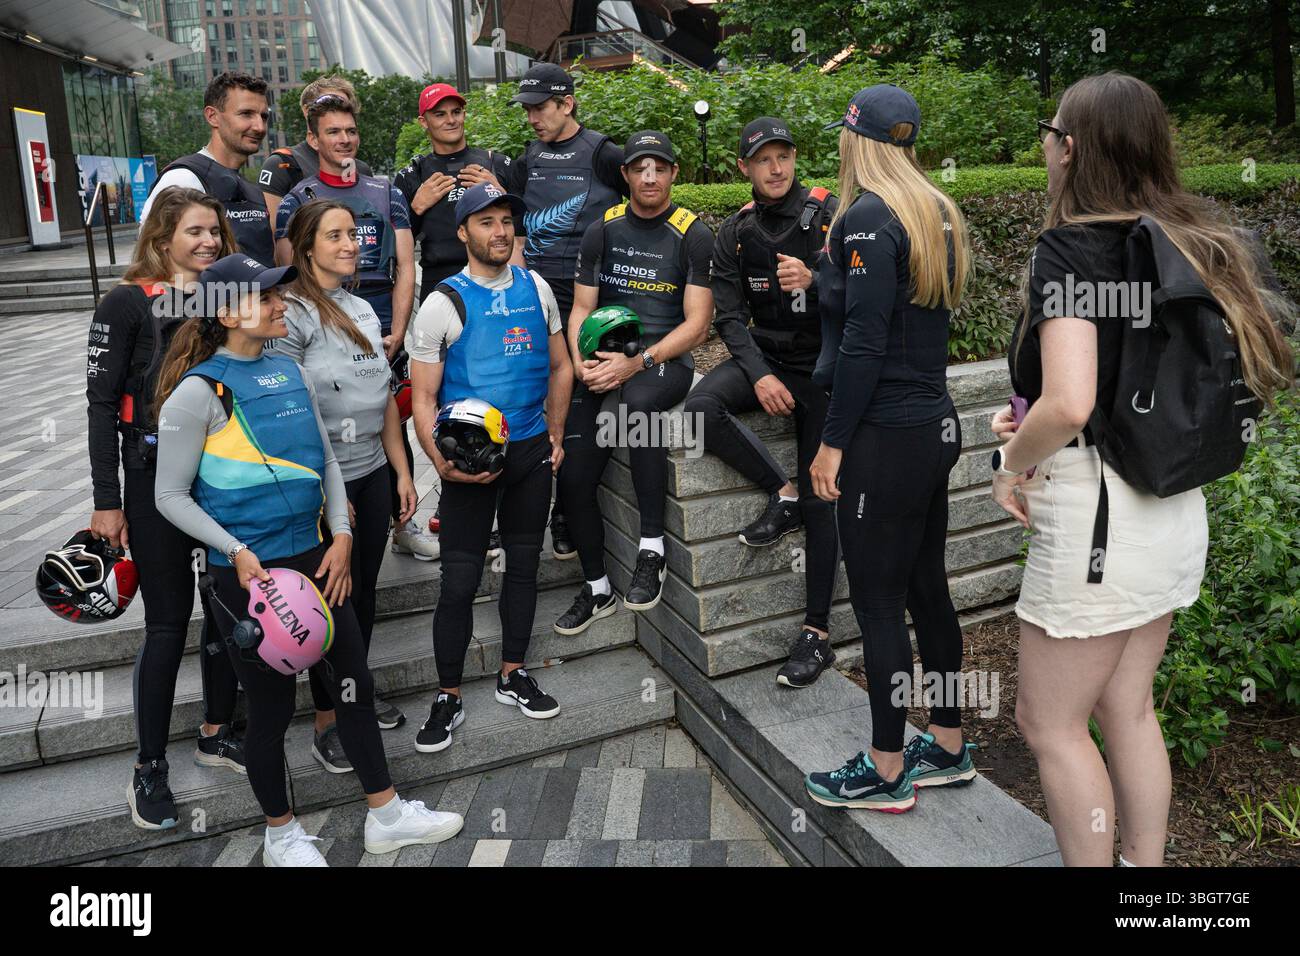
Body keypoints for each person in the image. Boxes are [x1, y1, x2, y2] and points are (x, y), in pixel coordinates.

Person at [990, 73, 1295, 866]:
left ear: (1073, 147)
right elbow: (1123, 384)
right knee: (1127, 707)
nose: (1047, 143)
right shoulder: (1188, 237)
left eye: (1052, 131)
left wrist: (1007, 462)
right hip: (1170, 506)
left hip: (1098, 520)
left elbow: (1069, 403)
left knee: (1048, 723)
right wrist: (1031, 415)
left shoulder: (1071, 246)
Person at [153, 255, 464, 866]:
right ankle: (281, 833)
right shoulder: (198, 391)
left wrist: (343, 534)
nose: (279, 304)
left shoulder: (289, 369)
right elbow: (168, 495)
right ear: (224, 311)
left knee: (353, 683)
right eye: (265, 297)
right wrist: (235, 553)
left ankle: (386, 814)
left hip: (320, 560)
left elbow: (326, 460)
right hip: (249, 576)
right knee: (268, 711)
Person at [802, 85, 976, 813]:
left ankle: (884, 769)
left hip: (886, 437)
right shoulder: (933, 208)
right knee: (926, 589)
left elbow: (866, 346)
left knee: (877, 601)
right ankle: (948, 744)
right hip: (931, 426)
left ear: (857, 139)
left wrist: (832, 445)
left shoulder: (872, 215)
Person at [86, 188, 244, 830]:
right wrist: (106, 502)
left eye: (216, 232)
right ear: (162, 236)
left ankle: (214, 729)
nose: (208, 242)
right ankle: (149, 766)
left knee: (228, 610)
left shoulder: (224, 297)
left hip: (222, 478)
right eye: (195, 232)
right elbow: (100, 405)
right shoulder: (125, 301)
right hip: (153, 484)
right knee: (167, 624)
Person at [405, 182, 573, 752]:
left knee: (524, 567)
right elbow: (422, 399)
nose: (499, 232)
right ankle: (448, 694)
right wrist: (439, 462)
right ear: (463, 233)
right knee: (458, 583)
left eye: (506, 221)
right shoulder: (442, 302)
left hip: (528, 451)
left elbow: (559, 365)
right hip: (469, 465)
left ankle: (513, 673)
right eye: (485, 222)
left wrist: (556, 431)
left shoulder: (538, 288)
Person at [684, 117, 840, 688]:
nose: (776, 169)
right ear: (744, 168)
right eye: (763, 159)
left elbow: (872, 289)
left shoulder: (828, 215)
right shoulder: (737, 231)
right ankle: (783, 491)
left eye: (785, 157)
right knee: (699, 411)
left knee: (826, 499)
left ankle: (816, 634)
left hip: (822, 367)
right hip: (768, 360)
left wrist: (819, 280)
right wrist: (759, 377)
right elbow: (727, 316)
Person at [271, 199, 419, 770]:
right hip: (324, 486)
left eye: (353, 234)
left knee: (363, 594)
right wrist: (331, 500)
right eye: (335, 236)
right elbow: (289, 417)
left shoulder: (362, 307)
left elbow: (382, 397)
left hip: (373, 474)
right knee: (329, 603)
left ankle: (354, 690)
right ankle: (328, 718)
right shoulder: (292, 314)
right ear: (306, 249)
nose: (352, 243)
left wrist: (404, 472)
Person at [553, 131, 714, 634]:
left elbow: (697, 326)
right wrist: (584, 362)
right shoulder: (603, 229)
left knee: (638, 412)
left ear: (673, 173)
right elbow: (581, 310)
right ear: (624, 175)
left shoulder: (693, 233)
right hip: (602, 362)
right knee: (575, 476)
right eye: (639, 167)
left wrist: (636, 362)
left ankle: (652, 549)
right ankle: (597, 587)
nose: (649, 176)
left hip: (662, 361)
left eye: (659, 167)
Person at [273, 95, 437, 562]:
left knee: (384, 415)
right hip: (322, 318)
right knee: (325, 411)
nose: (344, 139)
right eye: (332, 131)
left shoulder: (385, 191)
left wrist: (400, 330)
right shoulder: (297, 200)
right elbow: (290, 275)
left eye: (350, 130)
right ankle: (332, 518)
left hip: (380, 320)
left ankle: (401, 523)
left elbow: (407, 265)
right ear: (313, 139)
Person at [508, 63, 630, 558]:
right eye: (528, 109)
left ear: (567, 104)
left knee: (584, 397)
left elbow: (644, 206)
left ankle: (567, 509)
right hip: (540, 293)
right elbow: (515, 232)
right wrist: (519, 287)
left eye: (541, 107)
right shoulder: (525, 160)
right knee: (538, 393)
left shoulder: (604, 154)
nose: (533, 117)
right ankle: (532, 506)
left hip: (595, 294)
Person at [394, 83, 513, 306]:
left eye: (456, 112)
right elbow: (397, 248)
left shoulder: (497, 164)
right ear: (423, 122)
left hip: (494, 279)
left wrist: (501, 194)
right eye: (440, 114)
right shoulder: (412, 176)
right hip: (440, 283)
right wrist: (416, 209)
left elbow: (524, 228)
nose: (451, 120)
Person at [140, 72, 274, 266]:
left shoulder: (249, 187)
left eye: (264, 116)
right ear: (212, 117)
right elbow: (152, 256)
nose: (259, 127)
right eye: (246, 114)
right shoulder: (184, 178)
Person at [258, 74, 373, 229]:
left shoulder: (361, 169)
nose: (338, 111)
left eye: (344, 106)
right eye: (329, 104)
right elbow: (273, 235)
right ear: (307, 111)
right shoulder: (282, 164)